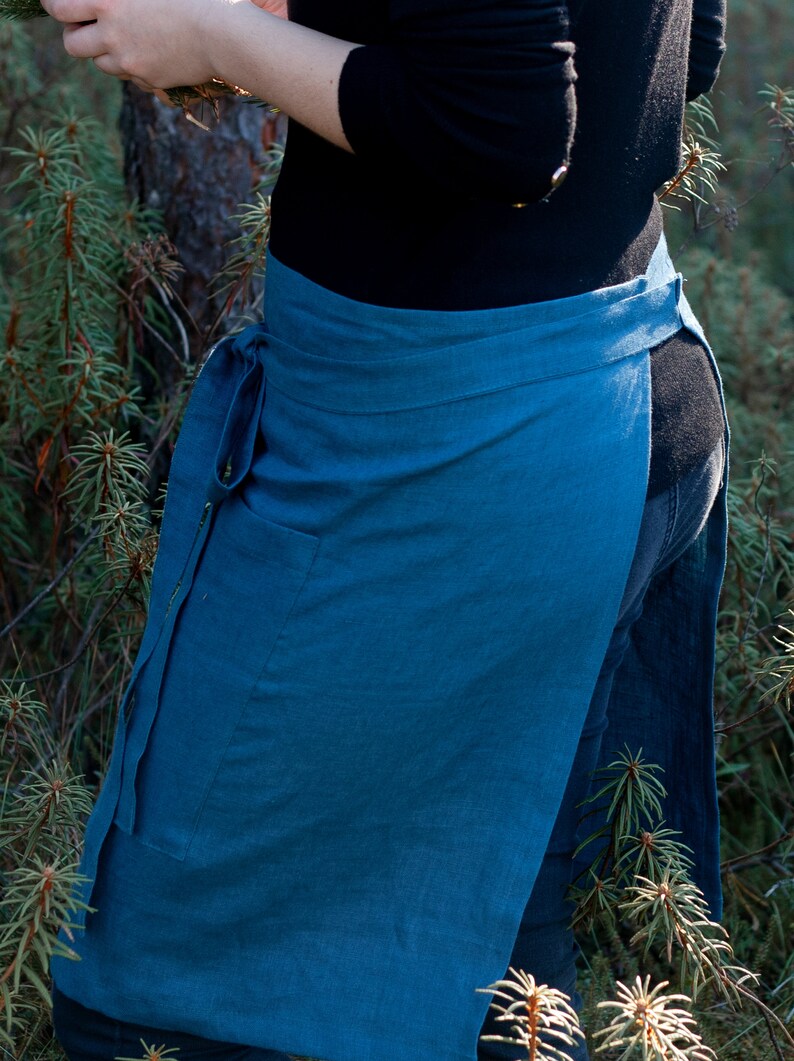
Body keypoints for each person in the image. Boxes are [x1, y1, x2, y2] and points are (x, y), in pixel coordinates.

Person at [44, 0, 728, 1058]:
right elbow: (672, 59)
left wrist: (218, 38)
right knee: (497, 980)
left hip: (453, 451)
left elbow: (501, 122)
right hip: (600, 395)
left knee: (169, 998)